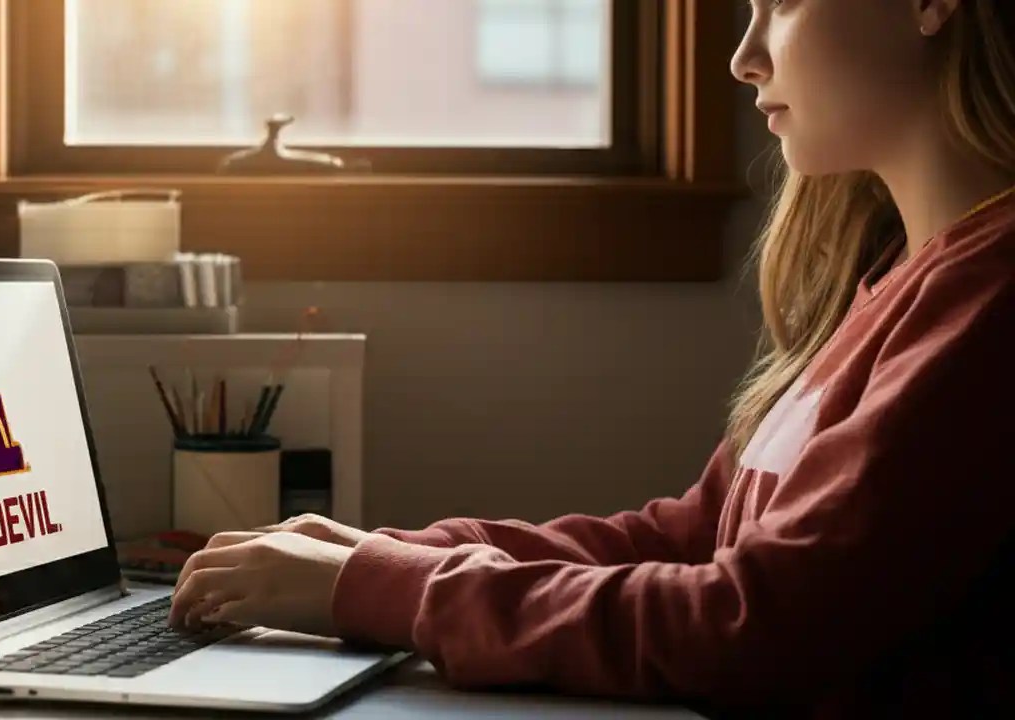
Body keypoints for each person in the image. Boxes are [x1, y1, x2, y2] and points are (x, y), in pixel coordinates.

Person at [167, 0, 1015, 715]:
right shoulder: (898, 280)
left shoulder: (988, 306)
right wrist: (378, 555)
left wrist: (385, 589)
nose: (743, 60)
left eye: (781, 3)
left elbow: (751, 624)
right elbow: (692, 539)